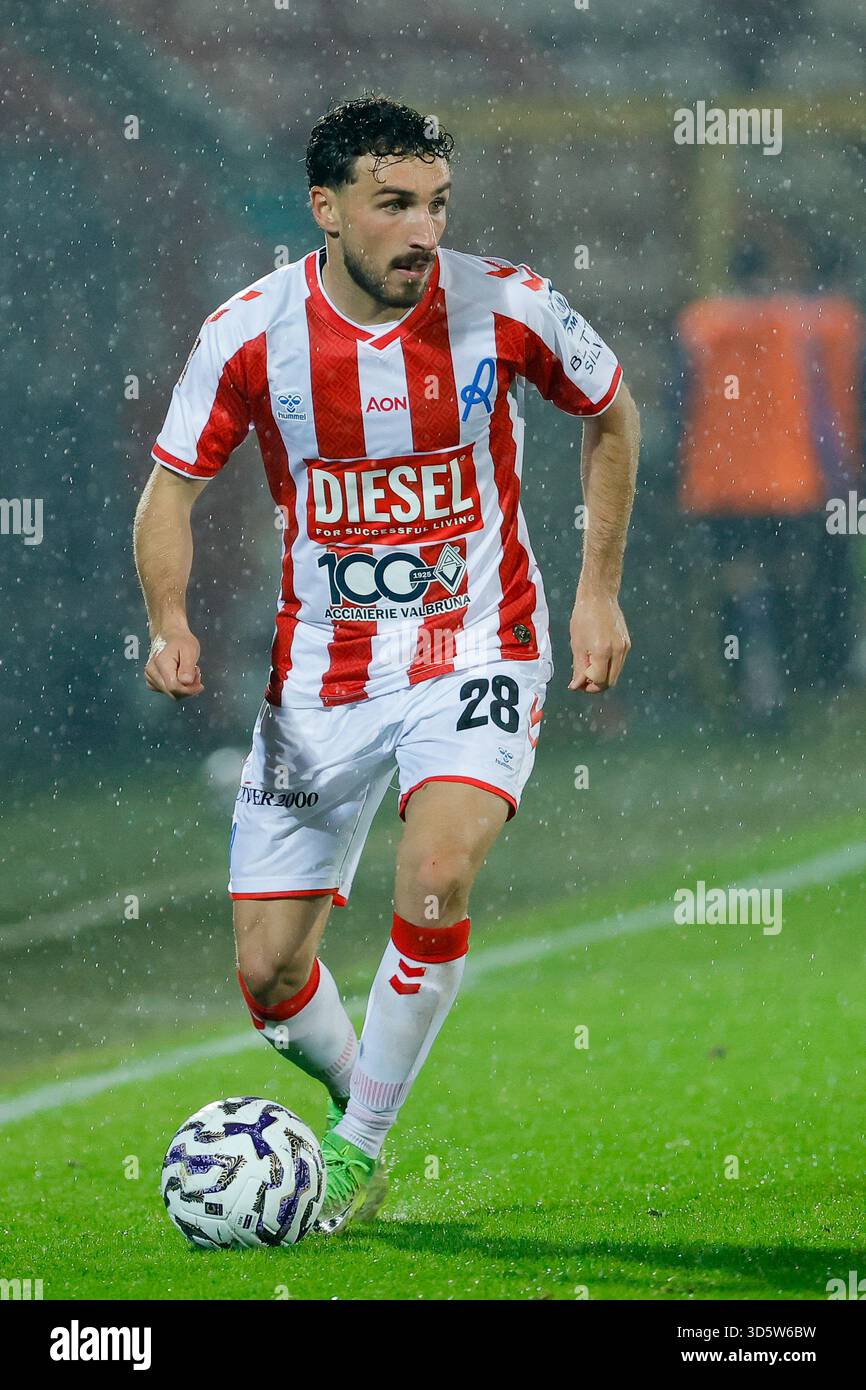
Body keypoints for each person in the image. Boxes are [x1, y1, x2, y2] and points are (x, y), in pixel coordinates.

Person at [133, 95, 640, 1234]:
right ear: (325, 208)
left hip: (479, 641)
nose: (424, 230)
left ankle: (354, 1151)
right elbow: (171, 486)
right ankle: (359, 1087)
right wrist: (168, 618)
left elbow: (611, 412)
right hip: (321, 677)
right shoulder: (249, 334)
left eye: (437, 205)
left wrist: (597, 586)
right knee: (267, 974)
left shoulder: (504, 306)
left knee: (435, 873)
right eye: (394, 204)